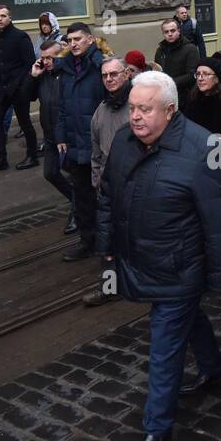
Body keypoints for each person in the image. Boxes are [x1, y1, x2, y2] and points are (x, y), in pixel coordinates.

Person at [95, 71, 221, 441]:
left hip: (180, 268)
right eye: (132, 108)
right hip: (143, 258)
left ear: (171, 111)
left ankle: (156, 428)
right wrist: (106, 244)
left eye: (145, 109)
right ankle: (216, 370)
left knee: (163, 345)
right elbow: (108, 193)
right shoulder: (126, 141)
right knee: (190, 322)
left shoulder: (203, 149)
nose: (136, 117)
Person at [83, 56, 133, 308]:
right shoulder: (100, 111)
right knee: (107, 242)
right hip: (108, 188)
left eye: (114, 74)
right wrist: (97, 180)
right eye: (105, 76)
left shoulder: (138, 106)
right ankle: (109, 288)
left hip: (136, 186)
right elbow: (96, 152)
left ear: (126, 74)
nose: (109, 79)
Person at [55, 22, 107, 261]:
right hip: (75, 144)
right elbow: (61, 107)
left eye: (78, 39)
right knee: (83, 197)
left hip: (100, 144)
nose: (73, 44)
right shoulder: (65, 69)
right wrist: (61, 136)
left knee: (107, 196)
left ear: (90, 39)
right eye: (69, 40)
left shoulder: (101, 67)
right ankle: (88, 241)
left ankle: (112, 243)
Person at [29, 40, 76, 232]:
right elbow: (28, 97)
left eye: (50, 57)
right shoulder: (43, 75)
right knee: (50, 173)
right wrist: (33, 77)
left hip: (67, 136)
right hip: (50, 135)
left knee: (76, 174)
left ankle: (79, 210)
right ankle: (77, 200)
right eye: (43, 58)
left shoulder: (68, 74)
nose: (46, 62)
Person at [0, 4, 39, 171]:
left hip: (18, 87)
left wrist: (20, 86)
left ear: (9, 18)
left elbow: (29, 64)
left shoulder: (20, 37)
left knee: (25, 122)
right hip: (0, 88)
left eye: (3, 16)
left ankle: (32, 156)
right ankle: (0, 157)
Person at [181, 54, 221, 135]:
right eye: (198, 74)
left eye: (206, 74)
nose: (200, 78)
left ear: (217, 78)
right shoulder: (192, 98)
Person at [154, 18, 199, 100]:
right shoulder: (160, 51)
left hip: (185, 96)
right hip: (165, 95)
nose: (170, 34)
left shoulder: (190, 49)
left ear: (179, 31)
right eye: (166, 32)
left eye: (172, 31)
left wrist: (170, 82)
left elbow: (192, 75)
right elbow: (157, 72)